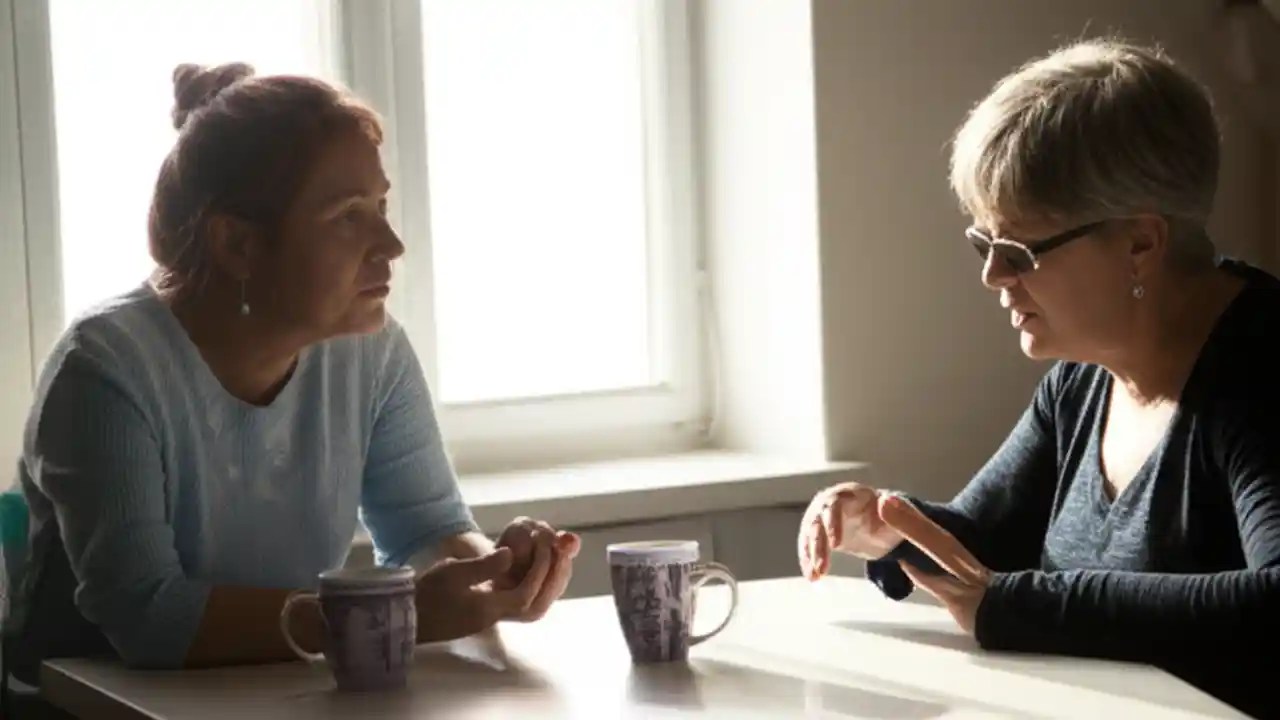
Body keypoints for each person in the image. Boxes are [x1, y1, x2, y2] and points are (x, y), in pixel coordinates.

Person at [7, 62, 580, 688]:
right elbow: (149, 615)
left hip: (275, 692)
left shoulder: (373, 352)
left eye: (381, 206)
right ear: (238, 245)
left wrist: (494, 569)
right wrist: (403, 611)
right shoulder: (103, 371)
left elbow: (426, 530)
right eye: (348, 216)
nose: (391, 243)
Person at [798, 39, 1280, 718]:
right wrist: (885, 525)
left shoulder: (1262, 371)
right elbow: (983, 546)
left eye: (1018, 251)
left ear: (1141, 242)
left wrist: (1022, 607)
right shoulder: (1080, 381)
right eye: (983, 244)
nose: (993, 276)